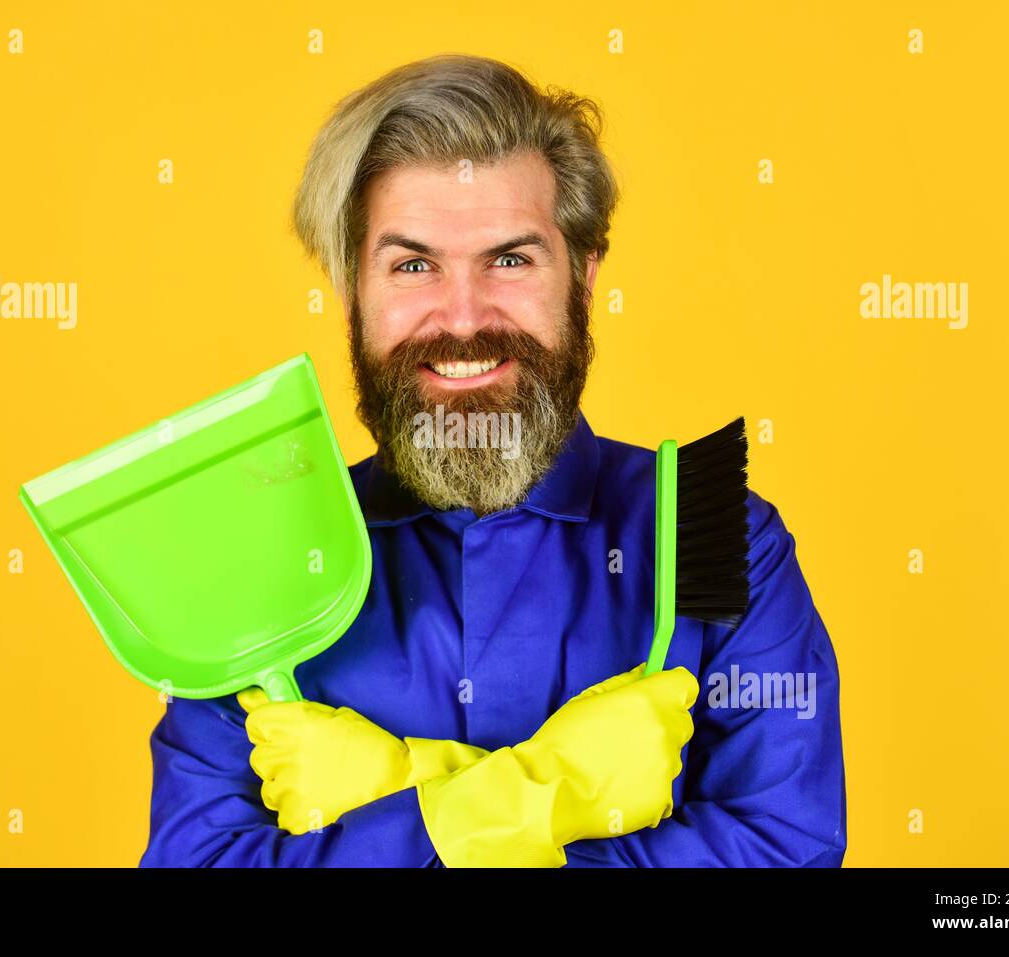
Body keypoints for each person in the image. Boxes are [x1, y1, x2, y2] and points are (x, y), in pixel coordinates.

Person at [140, 53, 846, 867]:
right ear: (352, 293)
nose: (465, 316)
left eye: (511, 259)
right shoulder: (255, 577)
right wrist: (530, 805)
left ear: (583, 278)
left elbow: (783, 849)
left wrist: (398, 824)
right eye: (412, 264)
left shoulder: (721, 543)